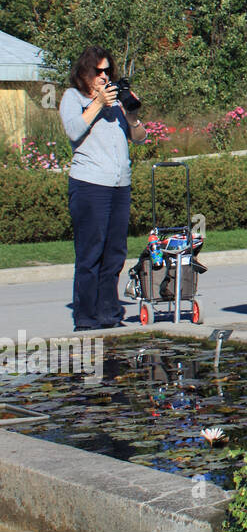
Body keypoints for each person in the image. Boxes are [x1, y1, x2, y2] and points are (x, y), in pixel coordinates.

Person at [59, 47, 147, 331]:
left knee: (115, 252)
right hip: (89, 185)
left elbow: (140, 138)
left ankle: (109, 313)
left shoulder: (115, 103)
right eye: (98, 71)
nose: (104, 76)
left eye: (107, 70)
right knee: (91, 252)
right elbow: (73, 130)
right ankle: (85, 316)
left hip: (119, 185)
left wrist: (131, 114)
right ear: (84, 72)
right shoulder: (73, 98)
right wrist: (97, 103)